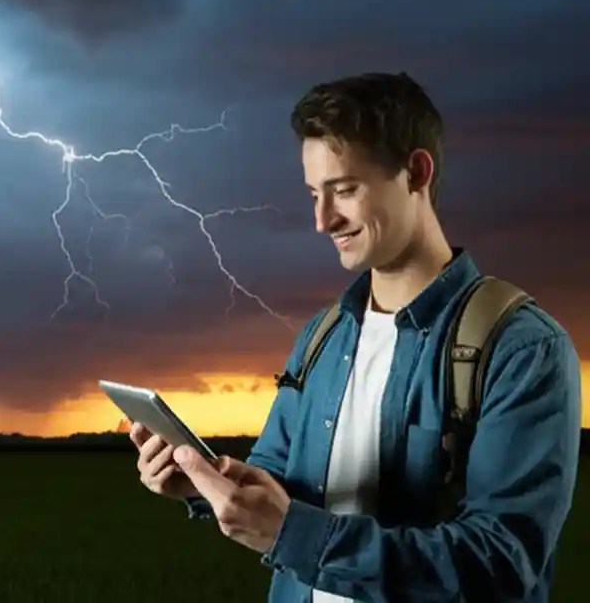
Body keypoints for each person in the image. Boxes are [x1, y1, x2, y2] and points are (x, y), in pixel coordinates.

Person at [129, 72, 581, 602]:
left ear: (416, 172)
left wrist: (291, 535)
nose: (323, 220)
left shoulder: (522, 349)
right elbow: (279, 479)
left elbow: (500, 562)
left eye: (344, 190)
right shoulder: (321, 338)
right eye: (313, 195)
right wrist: (204, 483)